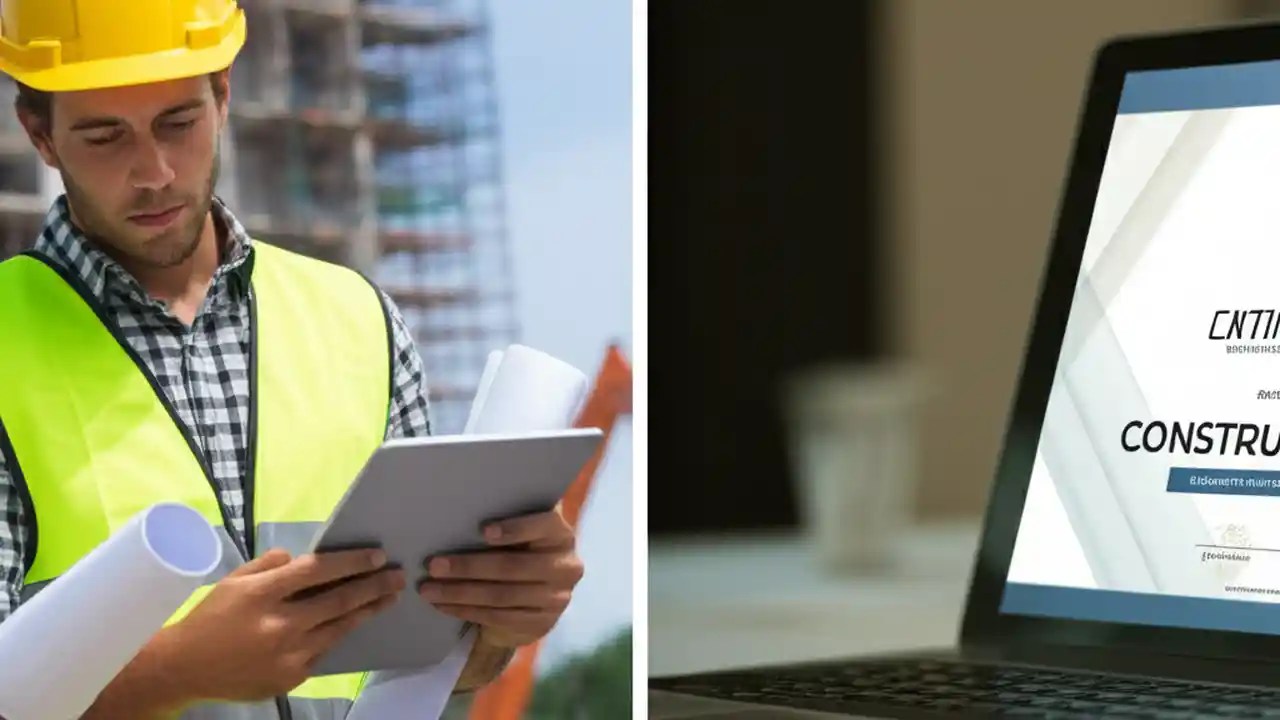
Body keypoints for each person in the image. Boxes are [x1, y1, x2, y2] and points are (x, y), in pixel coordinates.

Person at [0, 1, 583, 718]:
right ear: (40, 134)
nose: (152, 172)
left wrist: (501, 615)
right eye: (103, 135)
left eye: (178, 123)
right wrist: (176, 670)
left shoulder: (359, 320)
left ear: (223, 94)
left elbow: (442, 660)